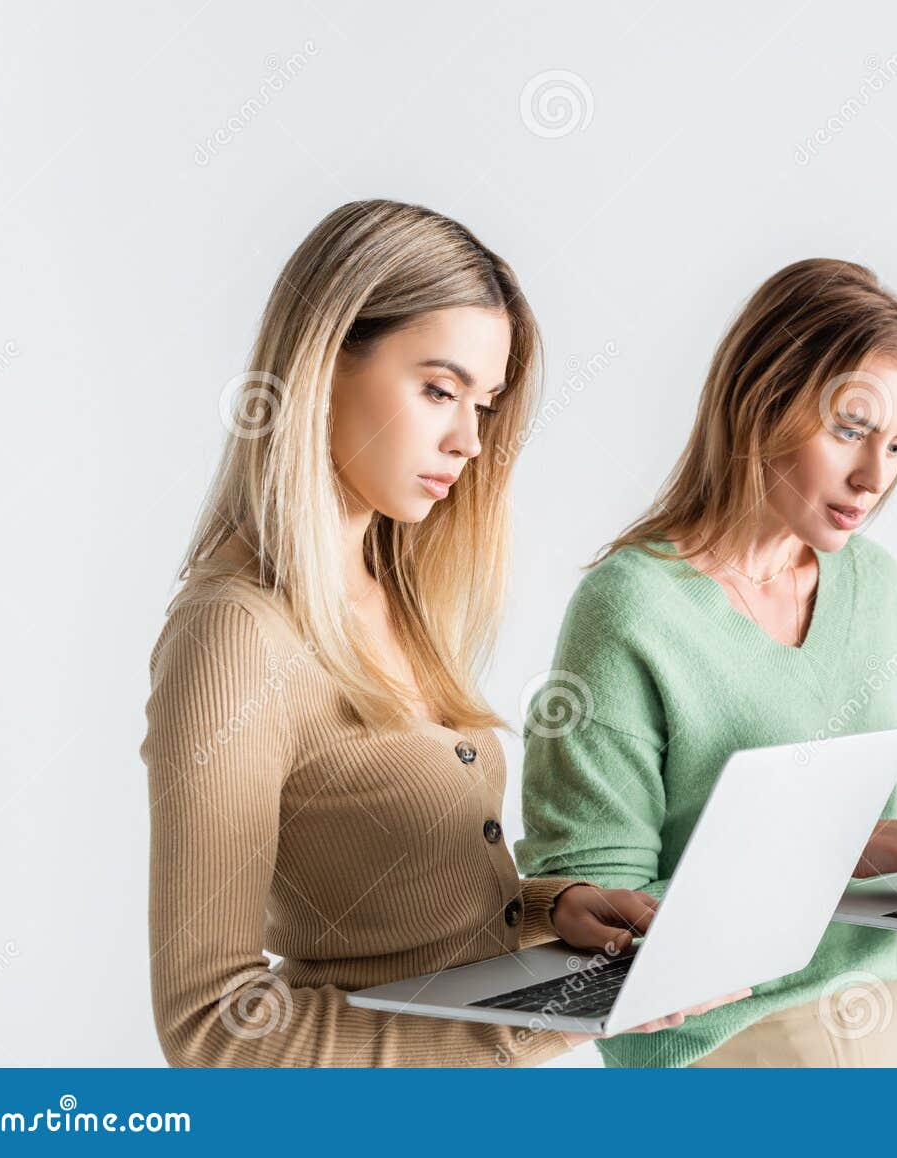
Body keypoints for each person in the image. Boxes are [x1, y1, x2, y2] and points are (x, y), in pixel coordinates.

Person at [141, 199, 738, 1067]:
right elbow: (211, 1028)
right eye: (438, 390)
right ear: (322, 363)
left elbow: (401, 928)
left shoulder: (395, 593)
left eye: (483, 404)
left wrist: (549, 910)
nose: (469, 441)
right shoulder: (235, 636)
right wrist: (546, 1018)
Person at [516, 258, 897, 1068]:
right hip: (723, 1044)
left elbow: (873, 865)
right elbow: (605, 926)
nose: (875, 477)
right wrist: (837, 851)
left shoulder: (872, 583)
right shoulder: (632, 609)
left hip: (890, 1020)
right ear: (761, 402)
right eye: (849, 430)